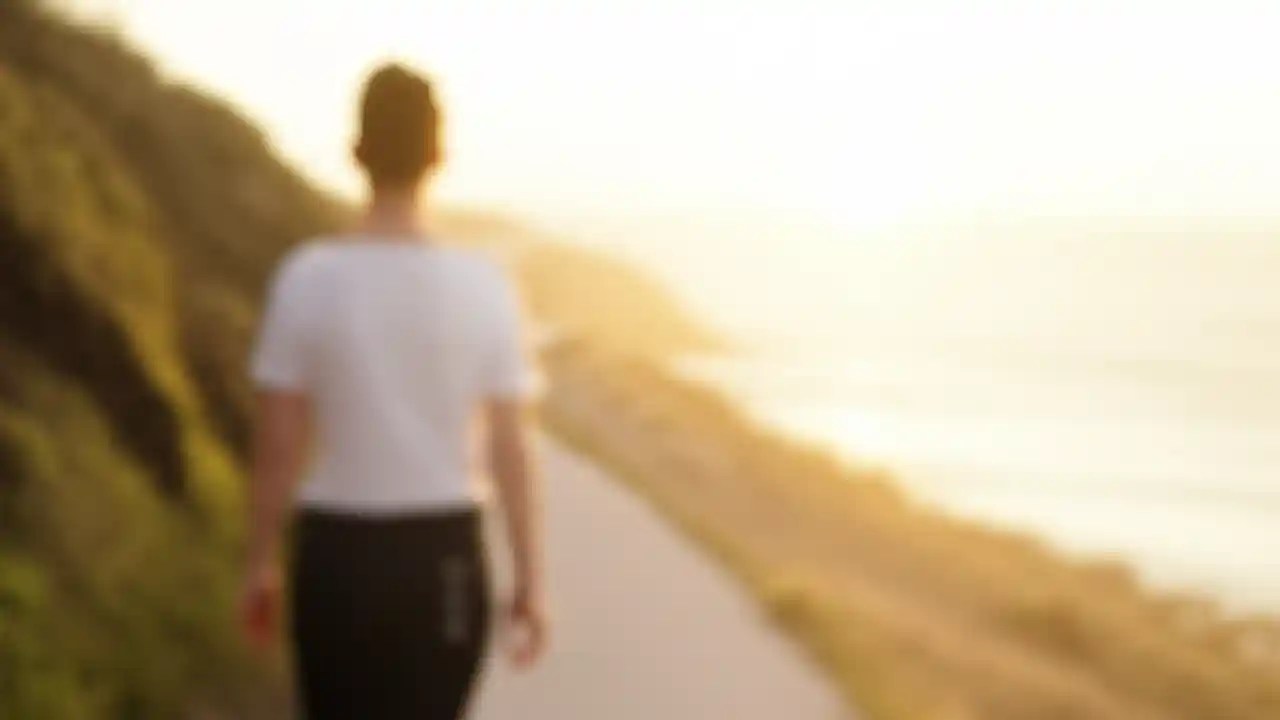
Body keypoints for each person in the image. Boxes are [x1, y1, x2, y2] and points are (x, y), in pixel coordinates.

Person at [238, 63, 548, 719]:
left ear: (357, 152)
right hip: (443, 561)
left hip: (336, 555)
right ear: (439, 155)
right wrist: (529, 581)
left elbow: (279, 444)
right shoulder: (483, 286)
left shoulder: (307, 279)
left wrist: (261, 562)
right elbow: (510, 447)